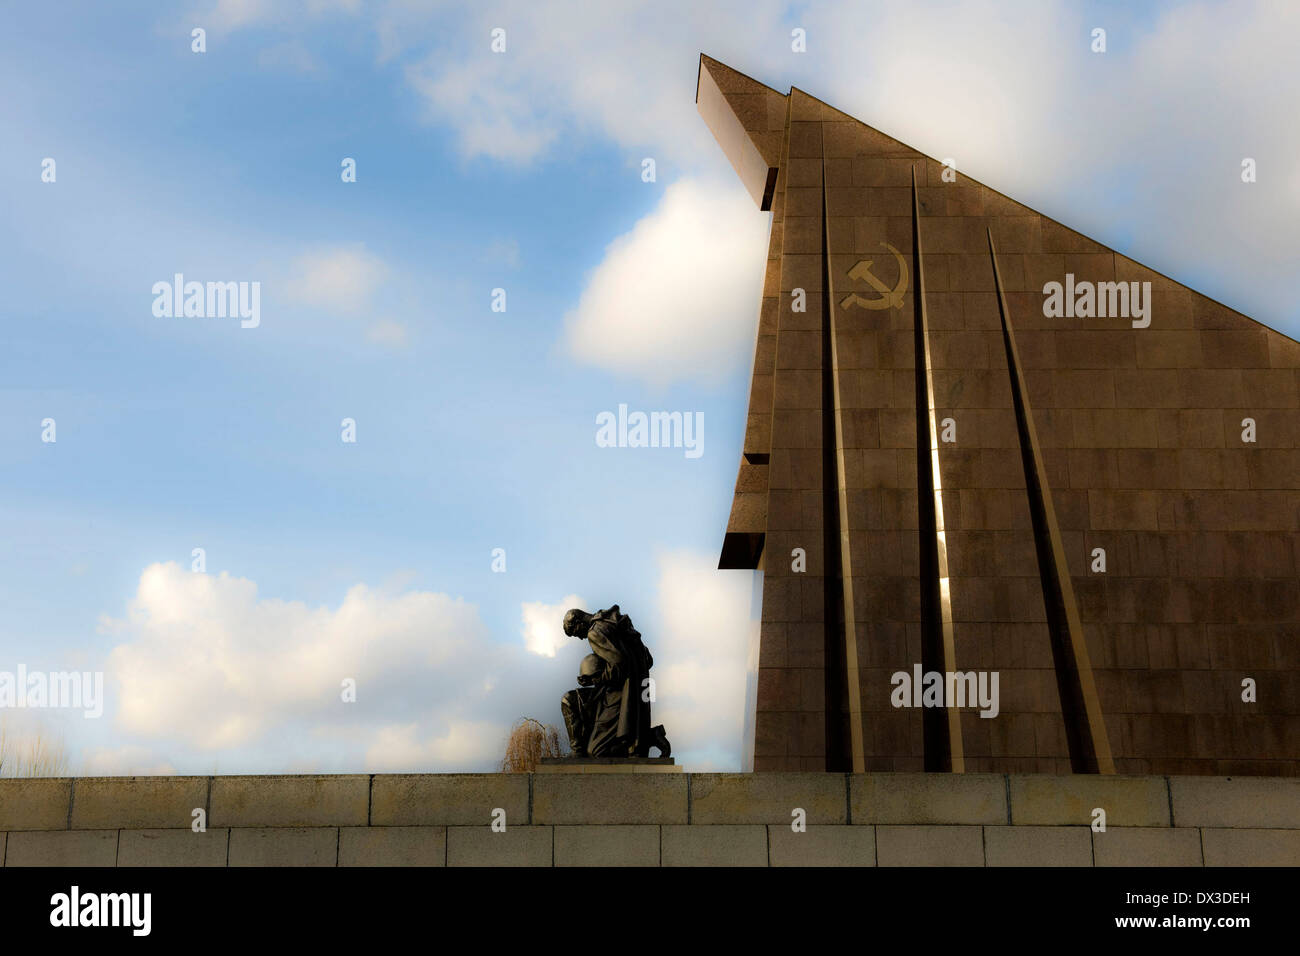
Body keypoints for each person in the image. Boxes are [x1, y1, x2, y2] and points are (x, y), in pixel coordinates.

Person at [559, 605, 670, 758]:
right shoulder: (610, 620)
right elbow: (648, 658)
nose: (580, 638)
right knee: (570, 700)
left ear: (579, 623)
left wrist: (594, 678)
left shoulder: (595, 632)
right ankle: (646, 737)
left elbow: (619, 666)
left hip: (621, 694)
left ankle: (649, 737)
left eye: (576, 633)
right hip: (638, 686)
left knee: (597, 752)